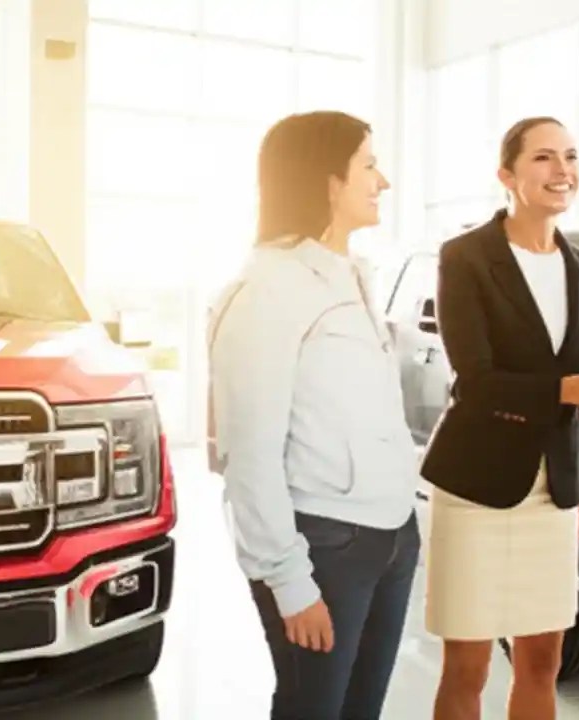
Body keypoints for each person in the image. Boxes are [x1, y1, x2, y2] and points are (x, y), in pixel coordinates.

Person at [419, 116, 579, 720]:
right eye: (544, 158)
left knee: (543, 661)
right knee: (466, 667)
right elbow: (477, 379)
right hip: (476, 487)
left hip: (556, 493)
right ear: (508, 174)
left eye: (571, 156)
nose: (562, 170)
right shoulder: (465, 256)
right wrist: (573, 387)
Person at [207, 110, 421, 720]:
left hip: (391, 535)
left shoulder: (352, 277)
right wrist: (289, 580)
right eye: (369, 165)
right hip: (323, 543)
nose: (383, 181)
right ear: (328, 181)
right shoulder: (267, 289)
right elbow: (247, 454)